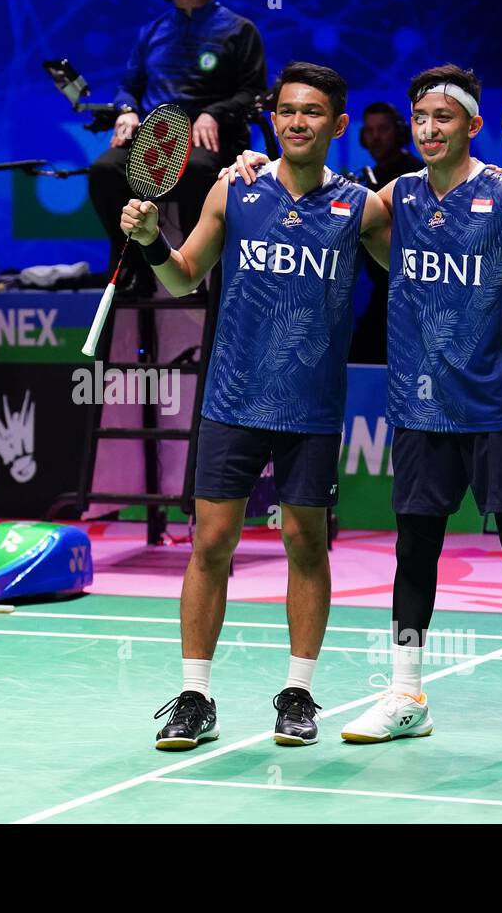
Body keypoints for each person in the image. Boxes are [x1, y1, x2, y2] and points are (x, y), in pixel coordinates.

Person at [226, 63, 502, 756]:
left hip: (497, 408)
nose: (427, 129)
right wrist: (255, 163)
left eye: (442, 119)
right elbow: (309, 197)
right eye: (419, 118)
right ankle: (407, 694)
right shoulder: (396, 199)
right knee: (415, 553)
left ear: (472, 126)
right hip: (421, 411)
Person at [124, 62, 390, 751]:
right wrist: (152, 239)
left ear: (338, 124)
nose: (298, 121)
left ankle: (298, 692)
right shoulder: (236, 189)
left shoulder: (359, 206)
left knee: (307, 543)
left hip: (310, 406)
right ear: (274, 118)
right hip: (233, 397)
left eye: (313, 112)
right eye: (288, 110)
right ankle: (195, 695)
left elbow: (415, 270)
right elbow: (184, 276)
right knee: (211, 544)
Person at [89, 0, 267, 287]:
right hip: (156, 144)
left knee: (198, 170)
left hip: (212, 144)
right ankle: (128, 259)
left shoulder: (240, 30)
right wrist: (127, 109)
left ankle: (192, 261)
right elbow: (128, 86)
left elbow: (254, 93)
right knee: (104, 170)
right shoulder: (152, 31)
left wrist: (214, 113)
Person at [350, 101, 425, 363]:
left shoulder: (419, 177)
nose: (376, 137)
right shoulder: (362, 180)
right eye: (369, 130)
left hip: (418, 294)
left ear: (400, 132)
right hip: (381, 294)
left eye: (383, 129)